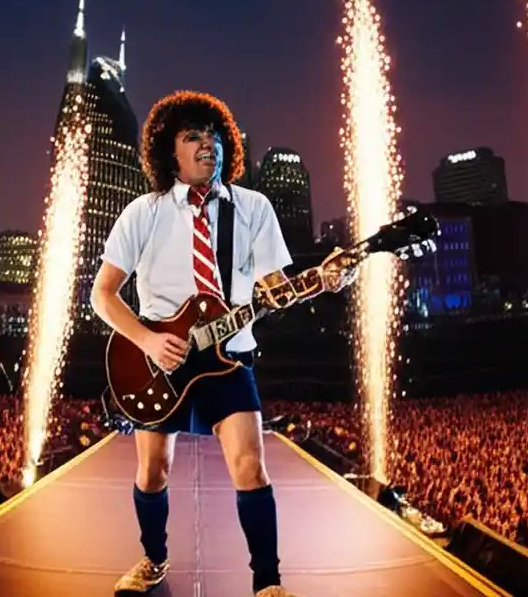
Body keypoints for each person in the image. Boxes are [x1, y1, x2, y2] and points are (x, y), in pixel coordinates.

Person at [91, 90, 354, 597]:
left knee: (251, 468)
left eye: (212, 135)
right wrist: (146, 339)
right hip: (158, 361)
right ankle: (153, 560)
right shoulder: (142, 213)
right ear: (171, 152)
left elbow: (277, 288)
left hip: (229, 358)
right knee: (152, 471)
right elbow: (103, 295)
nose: (206, 143)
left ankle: (268, 583)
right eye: (192, 136)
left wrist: (322, 278)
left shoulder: (252, 207)